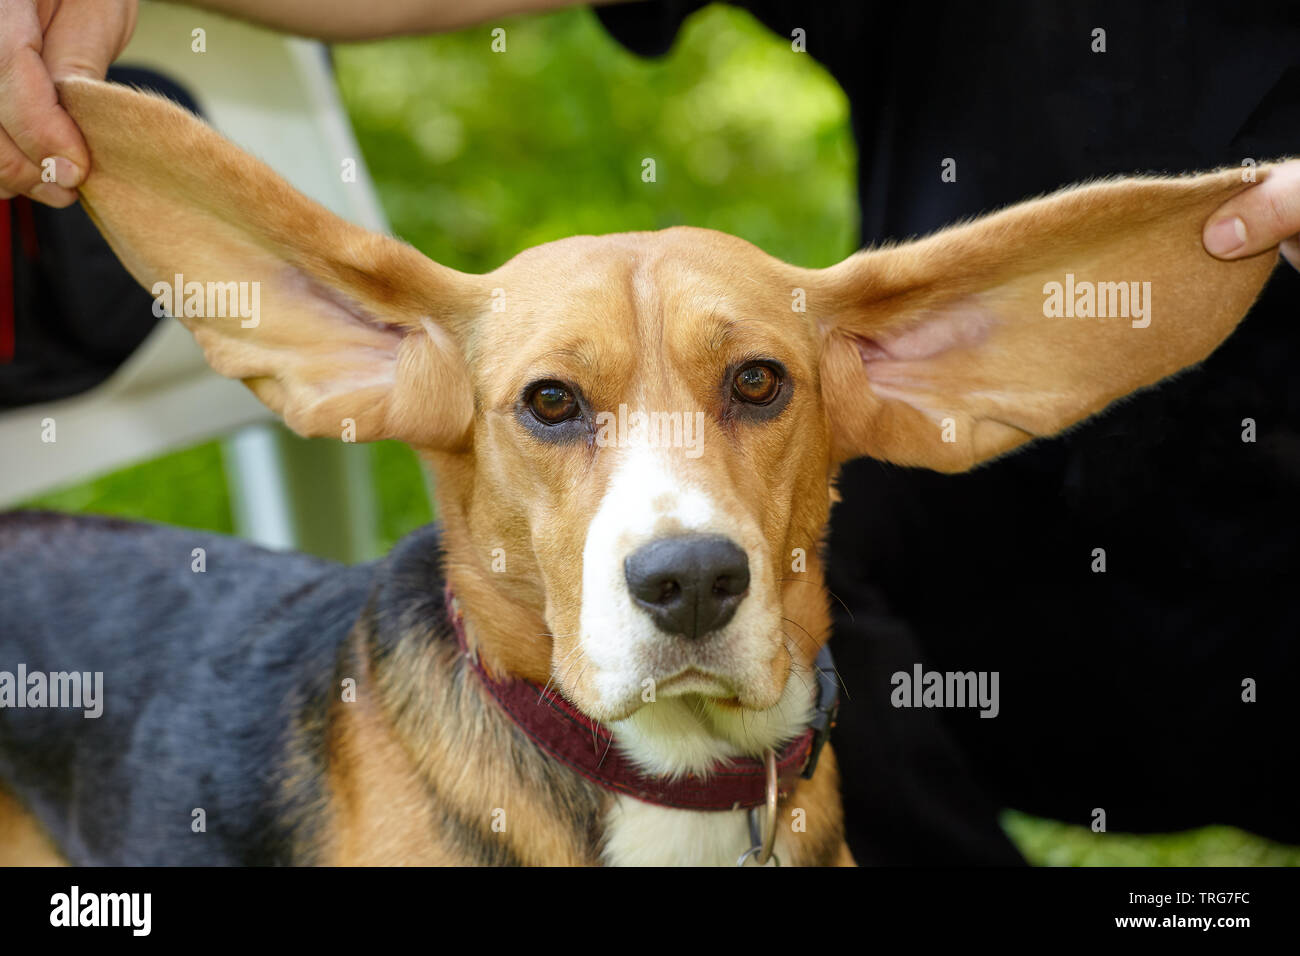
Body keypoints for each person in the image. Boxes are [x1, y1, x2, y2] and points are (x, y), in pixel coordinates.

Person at [2, 0, 1297, 864]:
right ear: (360, 362)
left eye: (752, 388)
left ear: (892, 380)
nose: (680, 541)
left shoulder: (808, 790)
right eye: (556, 408)